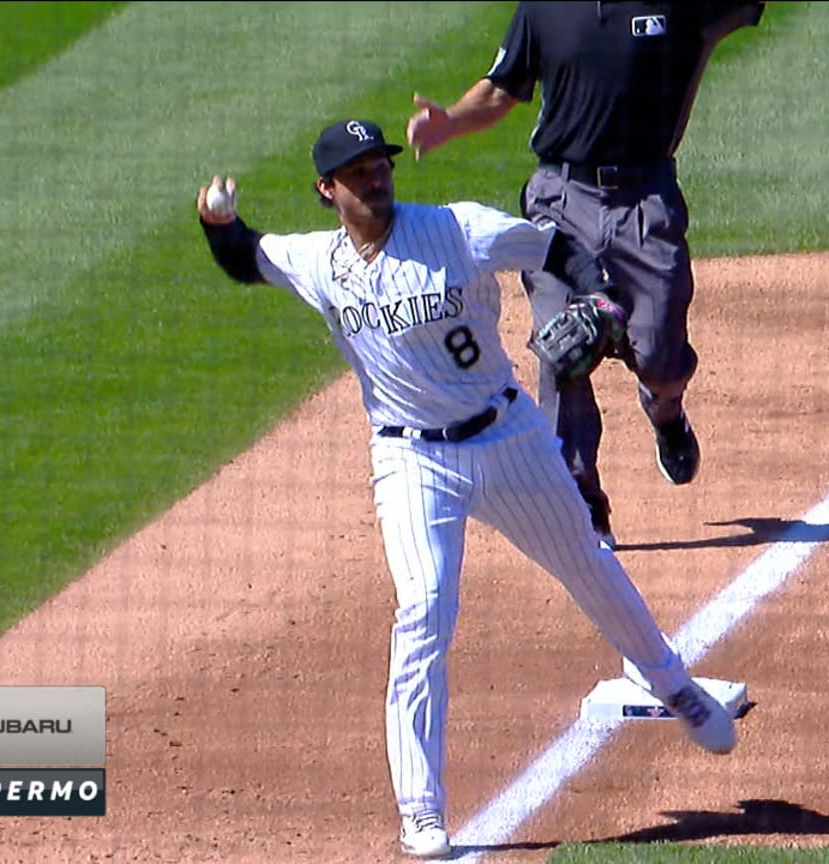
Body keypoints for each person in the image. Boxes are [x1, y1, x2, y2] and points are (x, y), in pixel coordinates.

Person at [195, 118, 737, 861]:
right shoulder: (317, 261)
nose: (375, 178)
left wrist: (604, 299)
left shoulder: (457, 230)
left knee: (587, 562)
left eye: (380, 164)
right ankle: (422, 812)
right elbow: (246, 258)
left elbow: (561, 250)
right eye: (357, 173)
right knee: (422, 612)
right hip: (411, 463)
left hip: (508, 438)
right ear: (328, 190)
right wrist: (214, 222)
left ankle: (674, 685)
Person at [405, 1, 766, 548]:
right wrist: (450, 121)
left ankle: (665, 409)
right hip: (560, 199)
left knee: (661, 359)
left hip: (646, 200)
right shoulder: (544, 8)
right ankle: (582, 508)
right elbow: (501, 88)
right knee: (563, 349)